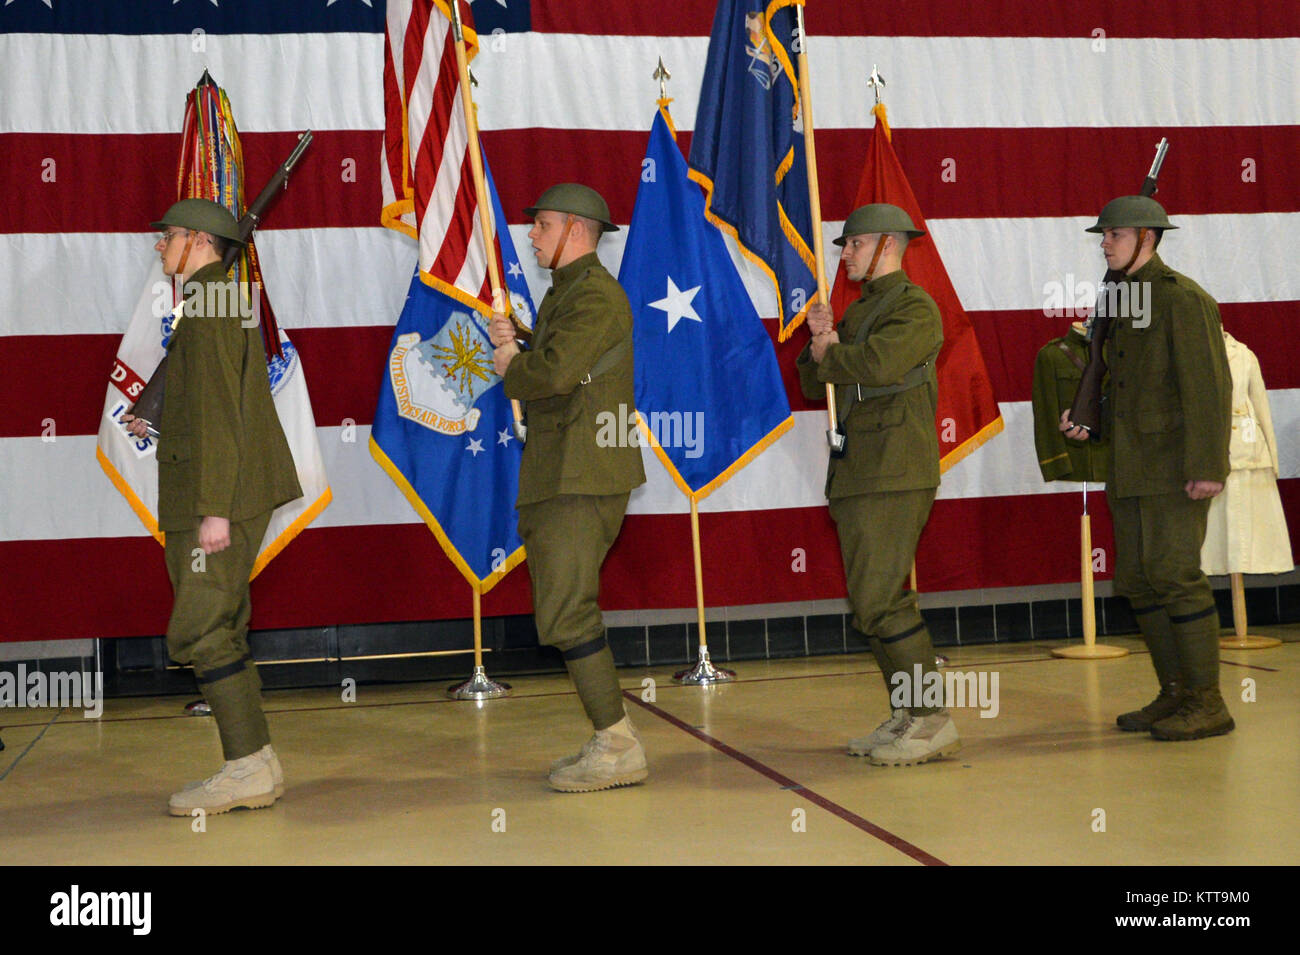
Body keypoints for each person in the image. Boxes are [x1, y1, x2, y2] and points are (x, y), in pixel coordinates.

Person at [124, 198, 302, 812]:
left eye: (168, 235)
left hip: (218, 494)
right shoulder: (214, 298)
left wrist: (216, 509)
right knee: (220, 626)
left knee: (202, 628)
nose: (159, 245)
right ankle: (258, 762)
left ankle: (245, 767)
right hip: (215, 489)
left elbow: (222, 412)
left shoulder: (213, 302)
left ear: (199, 241)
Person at [490, 184, 648, 792]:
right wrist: (522, 343)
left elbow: (556, 374)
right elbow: (564, 362)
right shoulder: (569, 292)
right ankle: (611, 736)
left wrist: (514, 365)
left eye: (543, 224)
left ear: (576, 230)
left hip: (583, 469)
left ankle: (618, 744)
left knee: (568, 609)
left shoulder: (594, 295)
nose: (532, 235)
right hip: (566, 467)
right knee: (564, 606)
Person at [1060, 195, 1233, 740]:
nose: (1104, 244)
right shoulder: (1122, 297)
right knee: (1138, 579)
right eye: (1104, 236)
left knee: (1176, 577)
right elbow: (1126, 380)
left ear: (1147, 239)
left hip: (1173, 463)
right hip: (1130, 462)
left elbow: (1208, 386)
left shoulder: (1182, 299)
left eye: (1114, 235)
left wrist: (1208, 465)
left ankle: (1208, 702)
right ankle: (1175, 692)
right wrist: (1089, 417)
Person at [796, 203, 959, 766]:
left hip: (893, 469)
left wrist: (834, 350)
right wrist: (819, 341)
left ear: (888, 245)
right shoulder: (862, 309)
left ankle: (932, 717)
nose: (845, 255)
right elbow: (817, 385)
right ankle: (908, 710)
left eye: (855, 244)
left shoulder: (914, 307)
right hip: (861, 470)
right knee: (871, 604)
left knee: (883, 601)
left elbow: (879, 365)